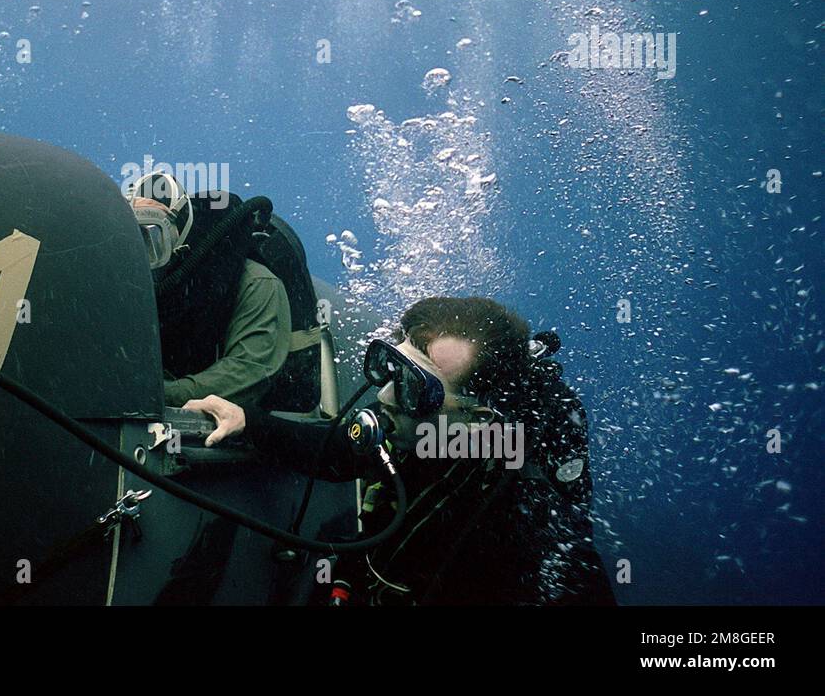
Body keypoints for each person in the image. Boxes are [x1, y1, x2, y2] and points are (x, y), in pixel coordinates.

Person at [187, 296, 617, 605]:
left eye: (417, 387)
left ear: (477, 419)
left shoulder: (522, 512)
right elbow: (342, 451)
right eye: (391, 367)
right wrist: (248, 422)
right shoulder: (417, 425)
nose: (388, 395)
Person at [127, 172, 292, 408]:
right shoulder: (127, 286)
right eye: (129, 238)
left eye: (152, 236)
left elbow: (247, 370)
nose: (140, 253)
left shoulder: (257, 283)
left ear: (181, 232)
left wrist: (150, 394)